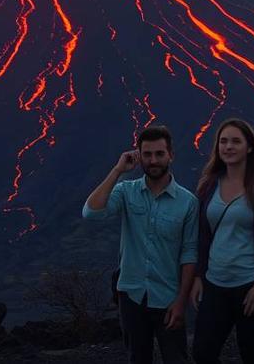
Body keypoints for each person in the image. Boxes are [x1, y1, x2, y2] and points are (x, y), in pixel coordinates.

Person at [82, 125, 199, 364]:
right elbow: (91, 213)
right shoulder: (126, 191)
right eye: (147, 154)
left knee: (176, 358)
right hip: (132, 296)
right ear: (138, 156)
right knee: (137, 358)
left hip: (168, 296)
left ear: (170, 155)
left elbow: (189, 254)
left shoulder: (188, 203)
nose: (153, 160)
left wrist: (181, 302)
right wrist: (118, 170)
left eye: (159, 154)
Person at [190, 118, 254, 364]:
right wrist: (198, 276)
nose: (228, 146)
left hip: (252, 285)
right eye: (223, 141)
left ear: (249, 147)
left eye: (236, 141)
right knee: (202, 353)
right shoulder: (208, 186)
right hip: (215, 283)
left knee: (251, 353)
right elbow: (203, 236)